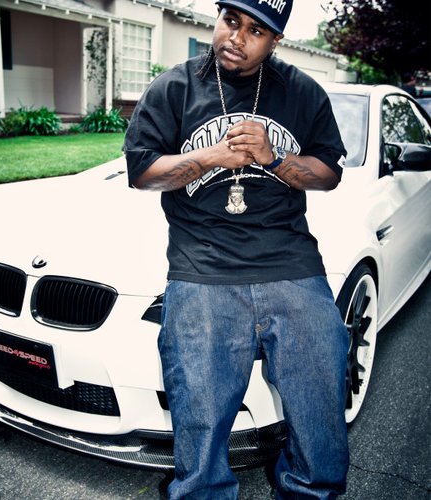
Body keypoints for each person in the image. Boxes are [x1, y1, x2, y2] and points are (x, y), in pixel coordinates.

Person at [124, 0, 350, 498]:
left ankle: (311, 492)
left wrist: (274, 157)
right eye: (231, 21)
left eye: (255, 31)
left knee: (320, 402)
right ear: (219, 16)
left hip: (290, 262)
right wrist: (210, 157)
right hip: (202, 265)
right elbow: (141, 174)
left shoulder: (301, 92)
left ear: (275, 40)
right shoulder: (175, 87)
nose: (236, 38)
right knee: (200, 413)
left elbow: (328, 175)